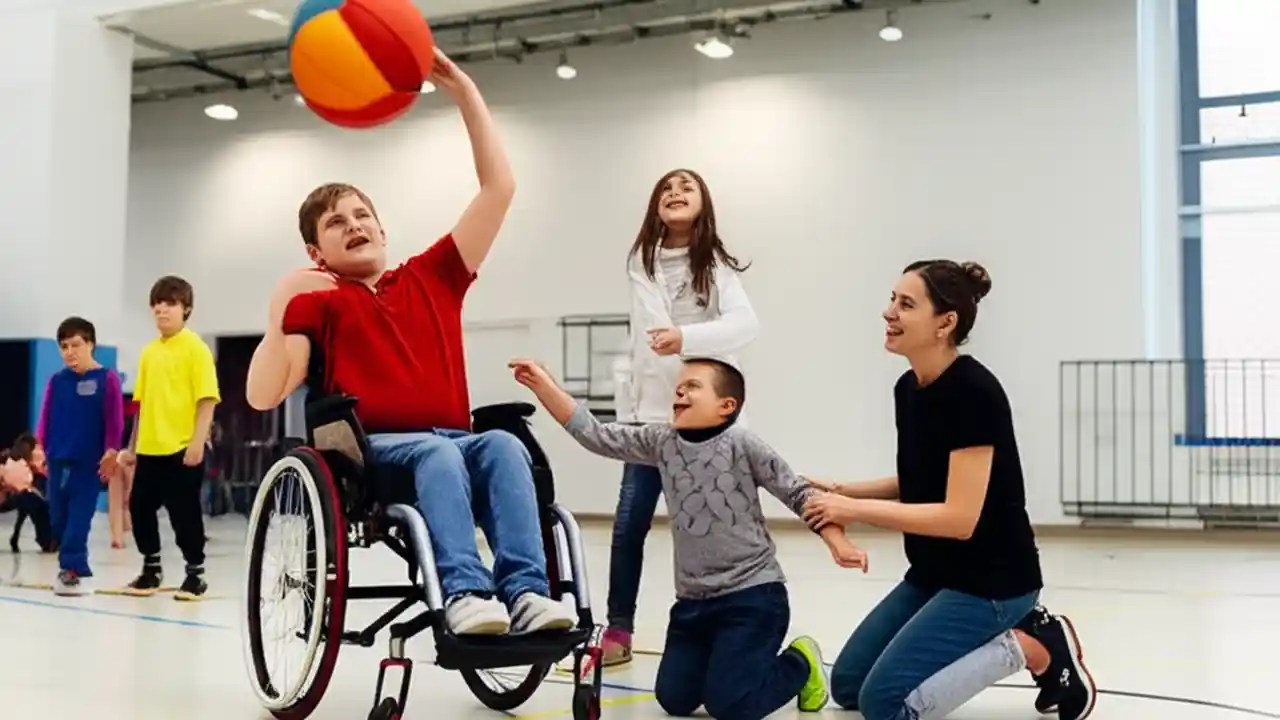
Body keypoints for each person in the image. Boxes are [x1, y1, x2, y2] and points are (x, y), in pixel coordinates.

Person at [244, 48, 575, 637]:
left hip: (454, 441)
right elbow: (265, 395)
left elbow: (499, 186)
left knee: (499, 444)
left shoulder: (432, 276)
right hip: (378, 455)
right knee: (438, 452)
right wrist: (279, 306)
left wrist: (463, 89)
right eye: (336, 223)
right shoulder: (317, 304)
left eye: (361, 213)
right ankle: (466, 593)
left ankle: (526, 593)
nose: (354, 225)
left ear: (381, 226)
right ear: (317, 254)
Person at [800, 260, 1096, 720]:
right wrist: (846, 489)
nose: (888, 312)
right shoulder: (909, 388)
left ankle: (1032, 644)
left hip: (991, 583)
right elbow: (925, 480)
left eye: (906, 304)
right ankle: (1023, 633)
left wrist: (853, 507)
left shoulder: (975, 392)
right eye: (892, 300)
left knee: (884, 707)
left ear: (946, 323)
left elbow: (959, 518)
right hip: (934, 574)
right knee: (849, 686)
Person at [511, 355, 867, 719]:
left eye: (693, 386)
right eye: (679, 386)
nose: (679, 390)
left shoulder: (743, 444)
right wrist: (544, 386)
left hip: (752, 598)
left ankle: (800, 663)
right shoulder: (661, 442)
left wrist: (837, 541)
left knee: (731, 705)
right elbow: (596, 435)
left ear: (726, 407)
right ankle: (725, 664)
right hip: (693, 606)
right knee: (675, 699)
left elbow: (799, 493)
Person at [604, 168, 758, 666]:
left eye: (686, 187)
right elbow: (650, 336)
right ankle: (618, 629)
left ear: (703, 204)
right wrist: (636, 411)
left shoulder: (713, 263)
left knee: (712, 522)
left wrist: (688, 341)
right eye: (666, 189)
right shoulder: (641, 261)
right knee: (630, 525)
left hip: (708, 420)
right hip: (651, 418)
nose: (675, 193)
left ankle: (727, 621)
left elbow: (744, 324)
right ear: (655, 207)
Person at [116, 276, 221, 601]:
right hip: (150, 448)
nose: (161, 310)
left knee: (184, 513)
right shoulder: (149, 353)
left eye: (170, 304)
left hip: (182, 447)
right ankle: (151, 569)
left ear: (185, 308)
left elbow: (207, 400)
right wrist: (132, 448)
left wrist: (196, 442)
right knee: (140, 507)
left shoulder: (196, 349)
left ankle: (195, 575)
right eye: (157, 304)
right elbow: (142, 405)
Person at [32, 317, 125, 594]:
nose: (69, 352)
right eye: (63, 346)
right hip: (57, 459)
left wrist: (111, 451)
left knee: (79, 518)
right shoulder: (57, 381)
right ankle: (77, 565)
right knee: (58, 519)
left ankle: (71, 569)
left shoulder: (106, 379)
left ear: (90, 344)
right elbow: (45, 416)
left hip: (89, 464)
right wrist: (39, 447)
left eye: (75, 345)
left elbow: (115, 420)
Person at [6, 434, 54, 553]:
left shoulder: (23, 463)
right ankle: (45, 540)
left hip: (18, 495)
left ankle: (45, 539)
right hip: (10, 496)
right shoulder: (11, 462)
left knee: (37, 503)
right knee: (38, 505)